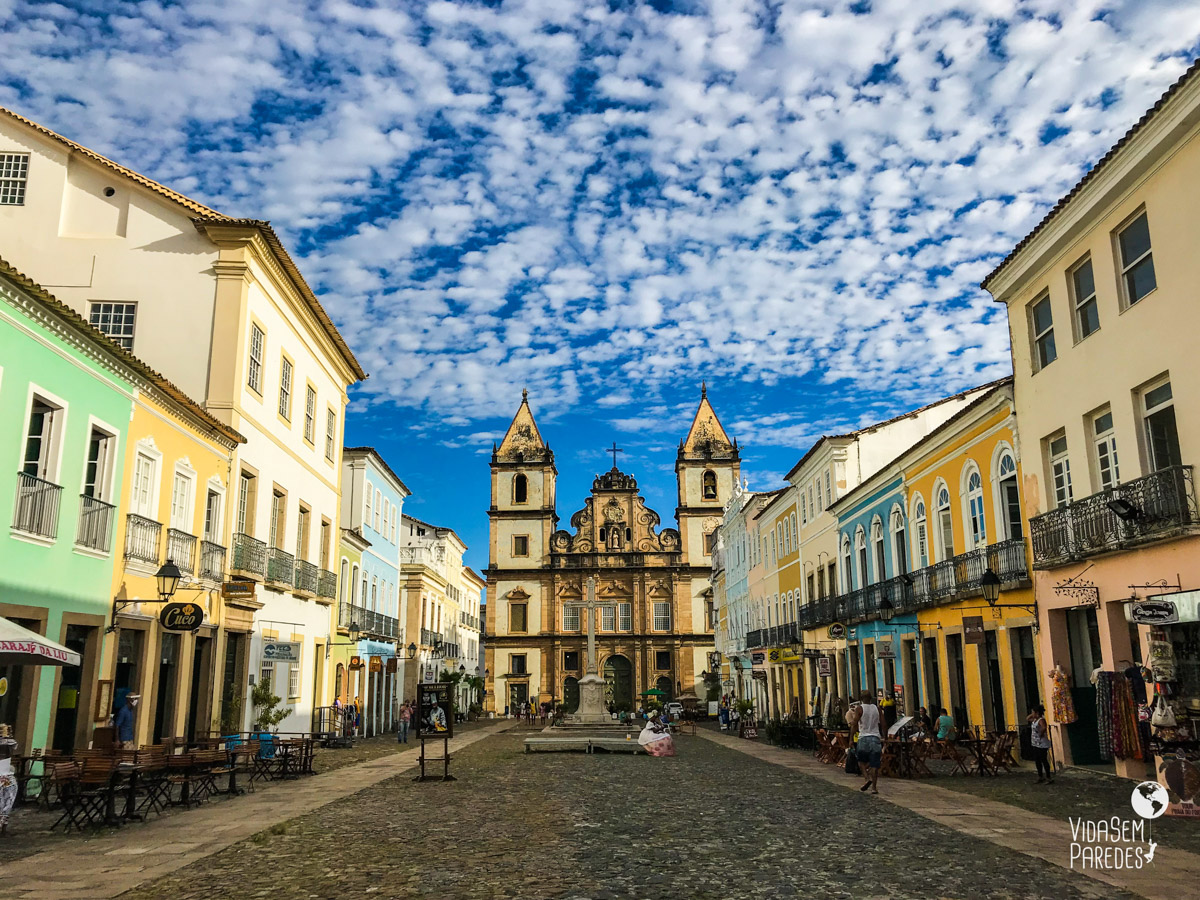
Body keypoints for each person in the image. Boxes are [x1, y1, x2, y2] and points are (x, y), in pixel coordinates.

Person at [854, 690, 884, 794]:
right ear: (871, 698)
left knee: (861, 761)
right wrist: (886, 735)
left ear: (861, 699)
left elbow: (854, 723)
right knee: (874, 764)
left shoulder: (859, 708)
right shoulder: (877, 709)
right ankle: (874, 788)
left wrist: (850, 739)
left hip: (863, 738)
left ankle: (867, 778)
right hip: (875, 737)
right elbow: (883, 723)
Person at [1028, 704, 1054, 784]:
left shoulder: (1041, 720)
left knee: (1043, 760)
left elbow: (1043, 727)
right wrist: (1032, 714)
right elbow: (1027, 718)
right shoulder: (1035, 720)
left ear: (1037, 713)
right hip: (1035, 743)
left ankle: (1048, 777)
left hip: (1042, 743)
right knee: (1037, 760)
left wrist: (1041, 734)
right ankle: (1040, 776)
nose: (1032, 713)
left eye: (1033, 712)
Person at [0, 726, 17, 835]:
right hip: (5, 776)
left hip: (6, 775)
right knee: (6, 799)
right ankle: (3, 824)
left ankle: (3, 824)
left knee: (6, 799)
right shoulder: (7, 745)